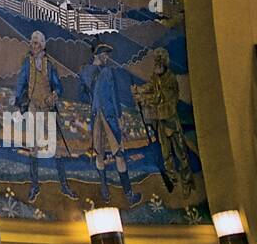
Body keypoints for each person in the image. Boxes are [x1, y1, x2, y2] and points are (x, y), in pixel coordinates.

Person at [79, 42, 147, 206]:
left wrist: (118, 115)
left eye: (107, 54)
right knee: (104, 154)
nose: (106, 57)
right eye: (104, 54)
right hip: (103, 116)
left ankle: (124, 193)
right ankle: (110, 190)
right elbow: (90, 95)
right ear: (97, 54)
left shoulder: (92, 72)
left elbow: (111, 95)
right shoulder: (94, 72)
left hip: (104, 115)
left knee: (116, 154)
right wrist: (117, 115)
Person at [14, 30, 78, 201]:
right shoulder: (27, 63)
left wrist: (54, 95)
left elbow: (58, 86)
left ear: (42, 45)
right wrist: (18, 102)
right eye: (31, 42)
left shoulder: (50, 65)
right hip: (34, 107)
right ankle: (35, 186)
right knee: (33, 147)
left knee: (55, 148)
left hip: (48, 108)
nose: (32, 46)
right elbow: (20, 83)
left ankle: (64, 186)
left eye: (35, 43)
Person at [136, 48, 194, 197]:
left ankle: (186, 182)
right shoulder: (156, 77)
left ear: (163, 64)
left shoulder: (170, 80)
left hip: (171, 121)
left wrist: (145, 99)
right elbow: (151, 86)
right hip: (161, 122)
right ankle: (172, 179)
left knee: (180, 154)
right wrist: (140, 90)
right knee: (166, 153)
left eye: (158, 64)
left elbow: (161, 98)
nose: (156, 67)